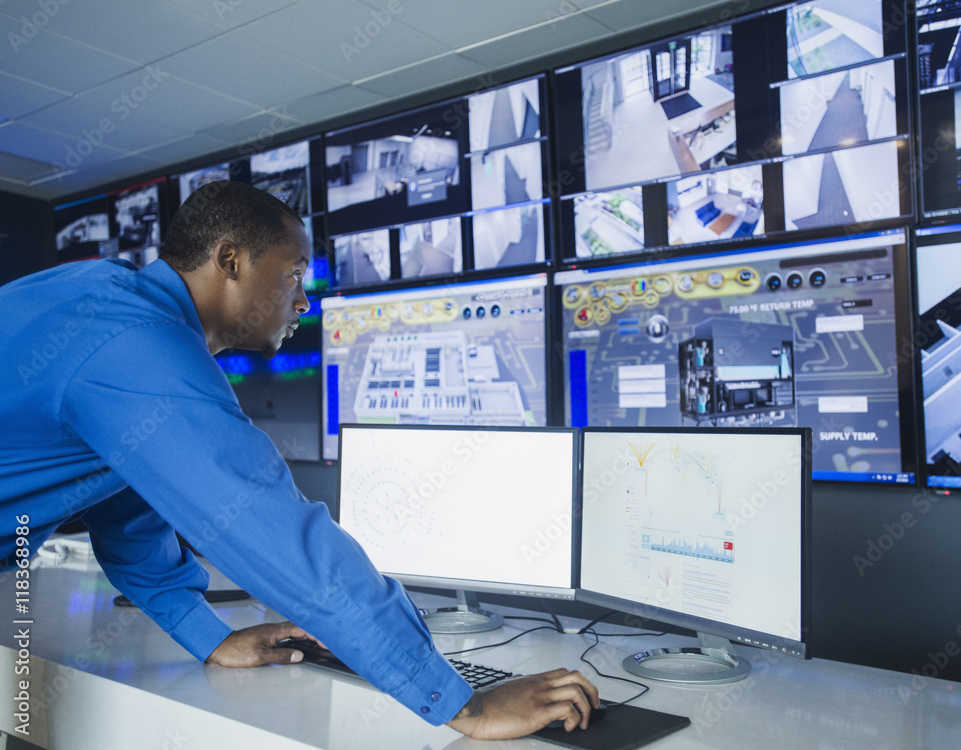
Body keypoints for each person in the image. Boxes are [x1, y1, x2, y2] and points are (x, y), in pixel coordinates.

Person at [0, 182, 597, 739]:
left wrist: (209, 638)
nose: (304, 302)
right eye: (294, 276)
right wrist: (464, 703)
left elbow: (131, 516)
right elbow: (274, 531)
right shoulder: (136, 345)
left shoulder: (101, 300)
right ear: (229, 261)